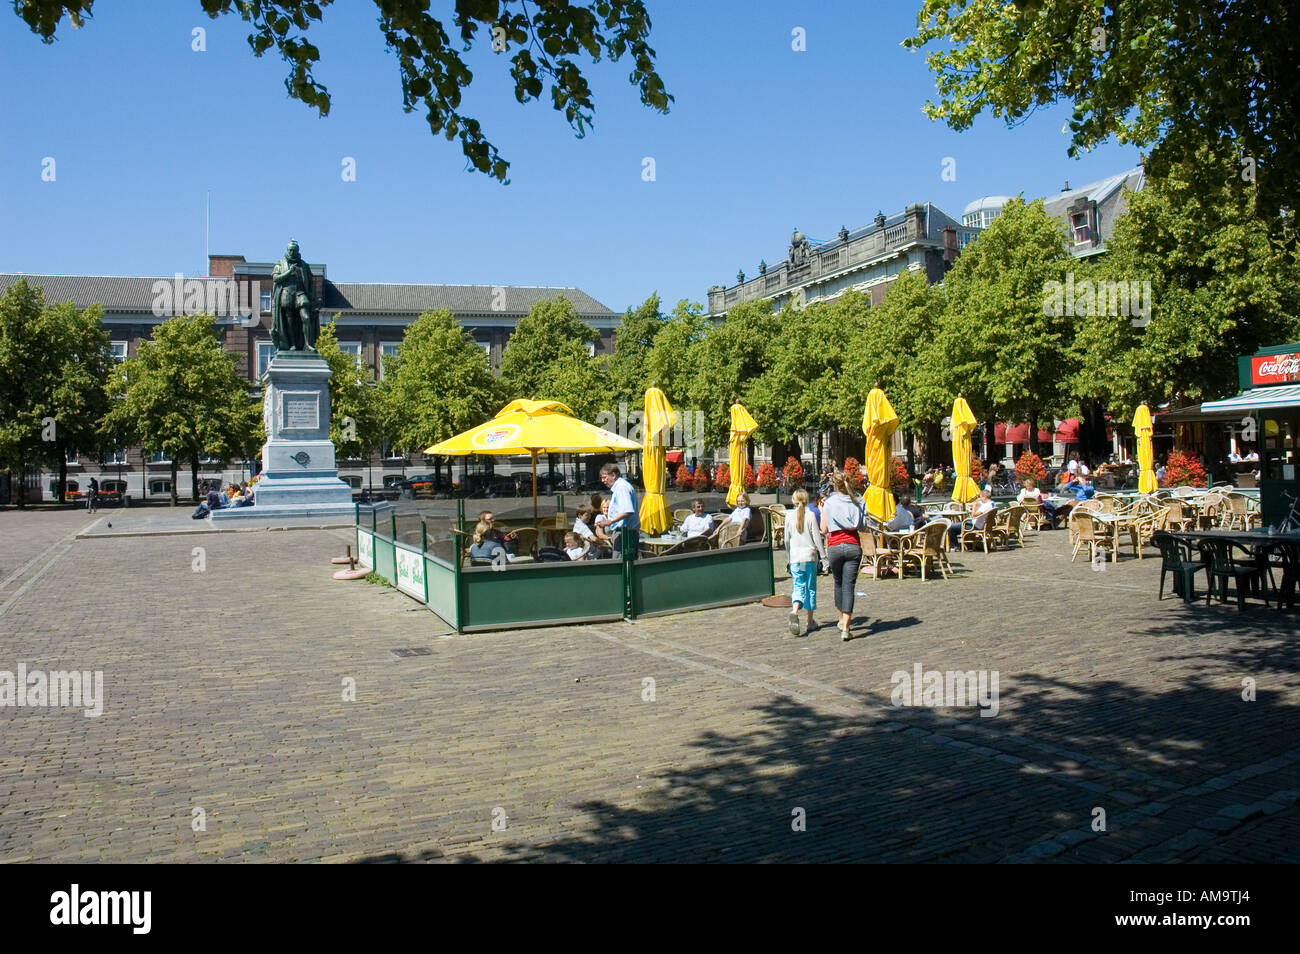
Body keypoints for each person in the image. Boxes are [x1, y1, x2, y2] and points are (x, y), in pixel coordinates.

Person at [819, 470, 866, 641]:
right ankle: (846, 626)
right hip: (853, 544)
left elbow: (823, 529)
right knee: (849, 586)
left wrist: (822, 510)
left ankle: (840, 619)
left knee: (838, 583)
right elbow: (862, 525)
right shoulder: (857, 501)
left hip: (835, 545)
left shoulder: (829, 503)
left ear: (834, 484)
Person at [785, 488, 827, 636]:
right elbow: (817, 538)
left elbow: (786, 540)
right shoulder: (810, 516)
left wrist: (788, 558)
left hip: (795, 557)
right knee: (810, 587)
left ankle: (795, 610)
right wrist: (824, 557)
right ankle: (810, 621)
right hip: (809, 557)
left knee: (798, 585)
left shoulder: (788, 516)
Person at [599, 462, 639, 555]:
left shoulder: (621, 487)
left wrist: (610, 521)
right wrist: (615, 530)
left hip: (626, 534)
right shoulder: (620, 486)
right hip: (624, 532)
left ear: (613, 475)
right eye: (601, 478)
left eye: (604, 477)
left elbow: (627, 511)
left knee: (621, 565)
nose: (602, 480)